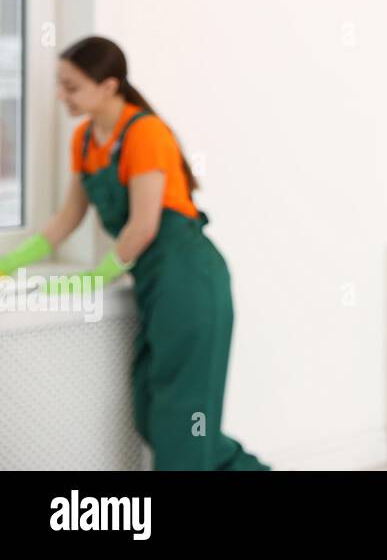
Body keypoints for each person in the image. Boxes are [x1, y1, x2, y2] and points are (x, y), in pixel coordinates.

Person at [0, 36, 269, 470]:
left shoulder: (145, 133)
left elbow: (142, 227)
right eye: (60, 84)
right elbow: (68, 217)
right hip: (155, 285)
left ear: (108, 86)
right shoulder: (86, 140)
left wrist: (92, 279)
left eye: (72, 86)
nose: (61, 95)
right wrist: (7, 263)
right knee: (153, 411)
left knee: (186, 418)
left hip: (190, 280)